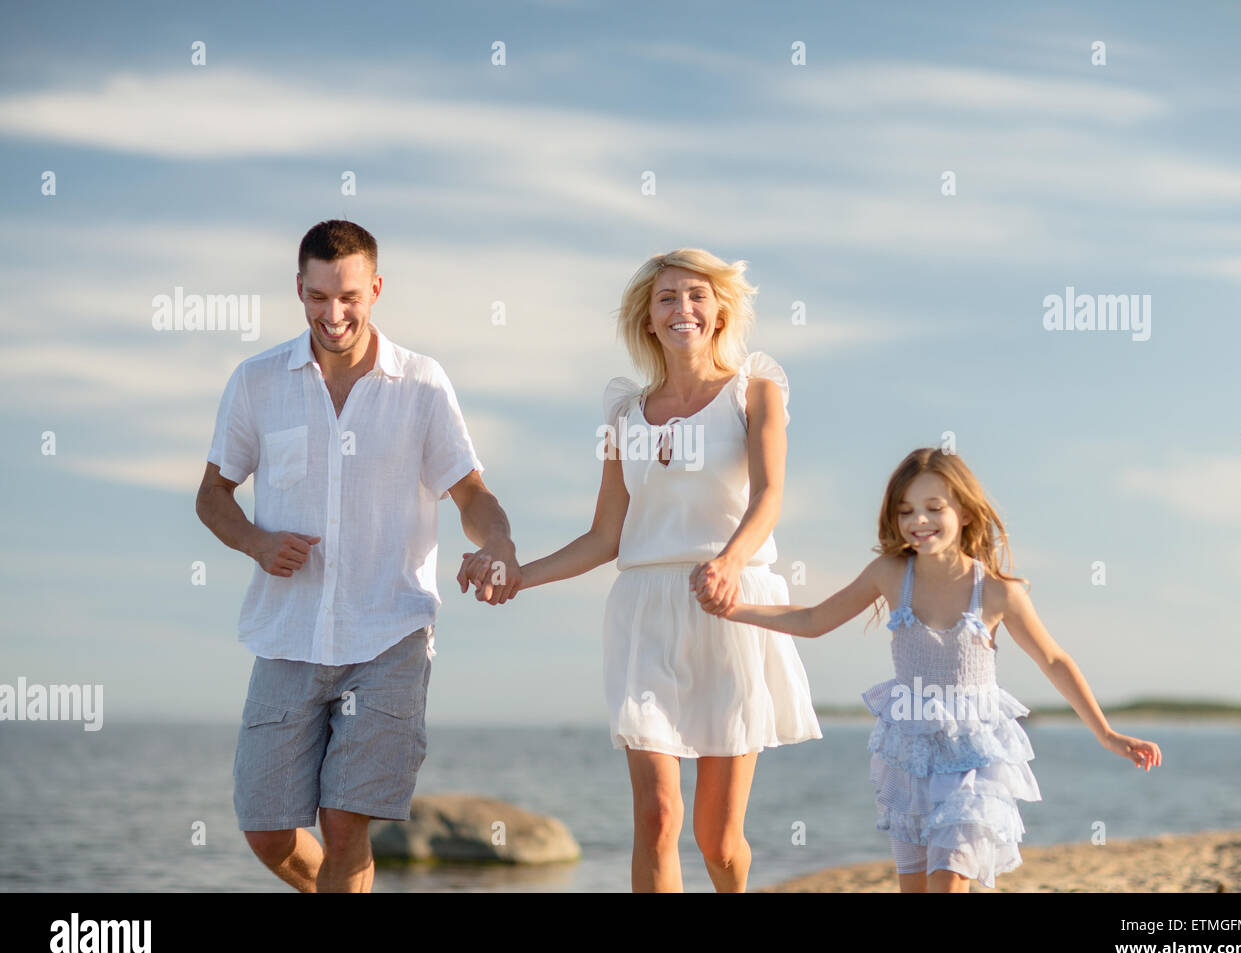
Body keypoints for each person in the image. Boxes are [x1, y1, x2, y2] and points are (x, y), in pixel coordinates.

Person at [470, 248, 822, 892]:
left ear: (718, 311)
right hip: (645, 614)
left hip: (732, 606)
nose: (682, 307)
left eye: (695, 294)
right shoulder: (624, 416)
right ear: (649, 320)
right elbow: (606, 535)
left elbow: (770, 496)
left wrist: (729, 562)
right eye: (667, 298)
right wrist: (520, 574)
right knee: (658, 816)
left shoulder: (754, 391)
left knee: (717, 840)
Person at [195, 219, 521, 893]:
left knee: (345, 822)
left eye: (348, 296)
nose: (332, 313)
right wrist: (256, 541)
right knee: (267, 829)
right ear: (298, 289)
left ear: (374, 289)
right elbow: (212, 495)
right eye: (318, 296)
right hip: (287, 636)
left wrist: (496, 544)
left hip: (389, 634)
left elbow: (472, 492)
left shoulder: (422, 384)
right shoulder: (256, 382)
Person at [707, 446, 1162, 893]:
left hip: (973, 763)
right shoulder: (889, 573)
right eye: (906, 510)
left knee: (948, 879)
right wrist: (733, 609)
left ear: (964, 512)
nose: (918, 521)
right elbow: (812, 621)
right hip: (910, 760)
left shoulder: (998, 593)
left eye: (933, 507)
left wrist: (1107, 734)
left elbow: (1055, 660)